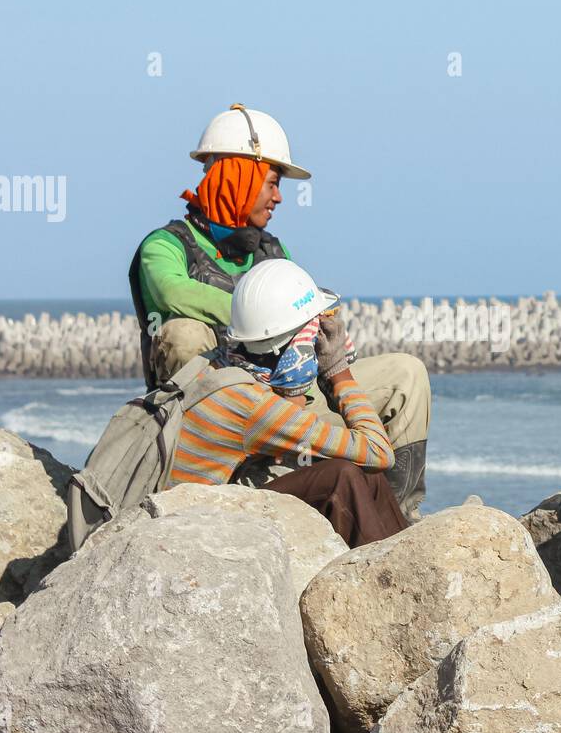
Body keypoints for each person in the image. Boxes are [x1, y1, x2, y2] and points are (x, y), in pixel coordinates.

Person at [129, 102, 430, 518]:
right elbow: (170, 292)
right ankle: (214, 488)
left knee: (406, 375)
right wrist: (267, 311)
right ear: (237, 176)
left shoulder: (273, 249)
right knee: (183, 332)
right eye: (271, 183)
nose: (279, 196)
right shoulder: (163, 247)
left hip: (289, 401)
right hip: (224, 416)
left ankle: (399, 513)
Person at [166, 257, 408, 548]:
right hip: (200, 530)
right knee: (339, 477)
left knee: (368, 476)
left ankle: (402, 554)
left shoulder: (223, 367)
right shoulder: (254, 405)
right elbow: (379, 452)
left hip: (206, 504)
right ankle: (386, 578)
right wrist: (338, 371)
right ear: (295, 344)